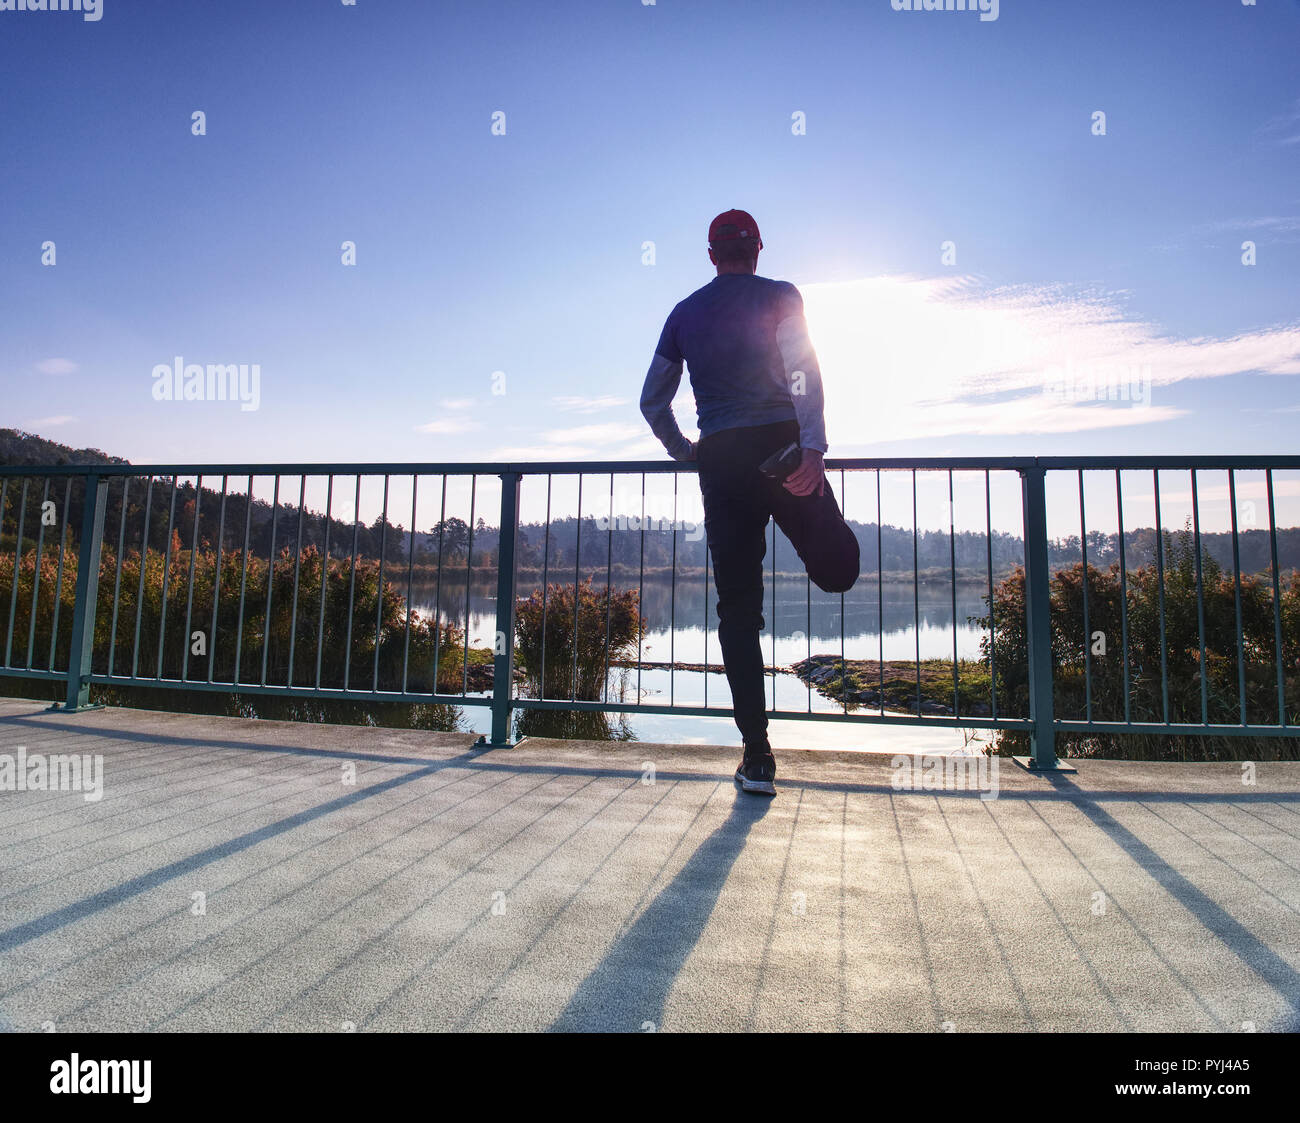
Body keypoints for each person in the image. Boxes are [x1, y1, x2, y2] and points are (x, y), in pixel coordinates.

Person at [640, 209, 860, 796]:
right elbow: (801, 373)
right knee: (839, 572)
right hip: (781, 451)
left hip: (721, 460)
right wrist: (810, 447)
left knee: (738, 610)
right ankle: (756, 752)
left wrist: (685, 451)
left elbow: (651, 402)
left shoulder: (683, 314)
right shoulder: (783, 296)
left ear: (711, 256)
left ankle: (756, 757)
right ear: (759, 249)